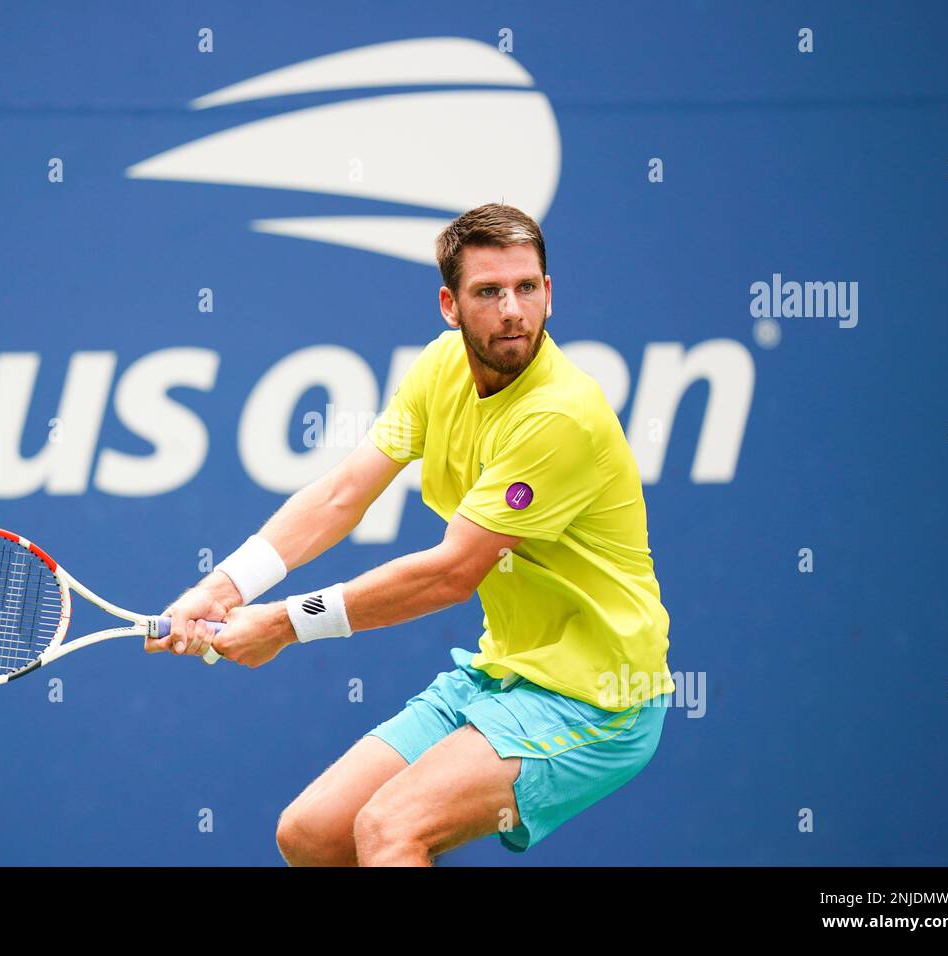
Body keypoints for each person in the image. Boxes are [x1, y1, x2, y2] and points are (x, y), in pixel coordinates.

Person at [146, 203, 676, 866]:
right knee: (311, 833)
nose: (512, 309)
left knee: (391, 830)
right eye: (489, 292)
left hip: (600, 700)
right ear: (450, 306)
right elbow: (342, 496)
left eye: (527, 287)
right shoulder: (440, 369)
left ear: (549, 292)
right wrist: (221, 588)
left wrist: (283, 624)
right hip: (505, 673)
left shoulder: (560, 415)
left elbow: (452, 574)